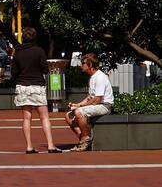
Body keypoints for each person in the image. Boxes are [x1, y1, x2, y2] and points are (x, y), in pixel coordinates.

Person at [11, 26, 60, 154]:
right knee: (44, 117)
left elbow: (14, 72)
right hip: (37, 86)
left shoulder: (18, 52)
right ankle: (50, 145)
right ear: (34, 37)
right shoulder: (39, 51)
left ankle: (29, 146)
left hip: (22, 86)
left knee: (26, 118)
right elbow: (45, 69)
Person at [66, 52, 114, 151]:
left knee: (79, 112)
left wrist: (79, 108)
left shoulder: (100, 77)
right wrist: (77, 104)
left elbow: (97, 99)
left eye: (83, 63)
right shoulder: (92, 77)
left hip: (105, 106)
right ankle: (83, 140)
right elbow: (90, 97)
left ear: (90, 65)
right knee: (68, 115)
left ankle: (86, 139)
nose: (81, 65)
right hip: (98, 104)